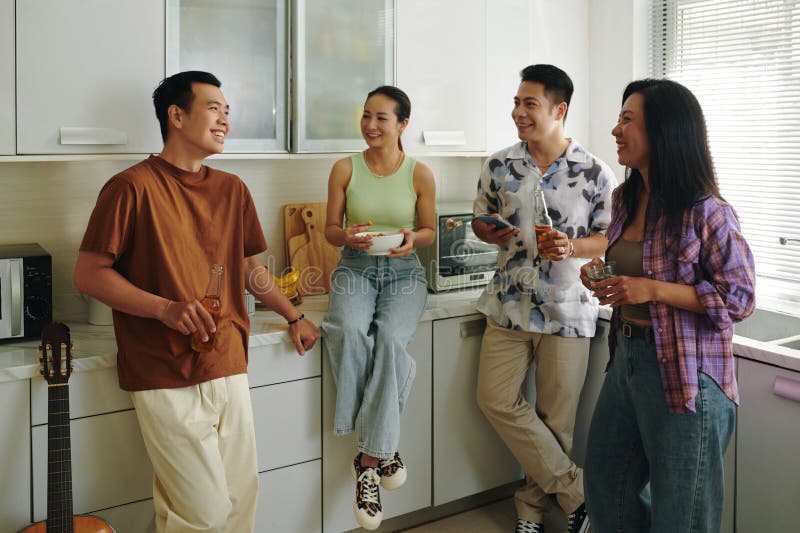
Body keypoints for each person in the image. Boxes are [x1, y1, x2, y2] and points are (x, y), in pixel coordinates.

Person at [74, 70, 318, 533]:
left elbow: (249, 269)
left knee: (238, 501)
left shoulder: (232, 189)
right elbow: (88, 274)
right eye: (214, 108)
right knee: (202, 514)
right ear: (177, 116)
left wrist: (294, 315)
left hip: (227, 359)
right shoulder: (131, 187)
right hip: (163, 369)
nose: (226, 119)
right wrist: (165, 308)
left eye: (228, 110)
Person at [581, 79, 756, 532]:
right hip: (628, 362)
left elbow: (740, 298)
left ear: (664, 130)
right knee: (605, 488)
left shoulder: (707, 210)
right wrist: (605, 279)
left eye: (627, 119)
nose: (615, 129)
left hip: (687, 375)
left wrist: (652, 289)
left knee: (682, 517)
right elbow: (632, 268)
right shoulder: (625, 198)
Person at [472, 64, 616, 533]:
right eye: (516, 102)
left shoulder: (596, 173)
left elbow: (609, 238)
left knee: (556, 420)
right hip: (509, 302)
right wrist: (488, 230)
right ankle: (576, 493)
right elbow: (480, 221)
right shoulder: (498, 165)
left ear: (559, 110)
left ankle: (530, 512)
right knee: (493, 397)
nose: (518, 112)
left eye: (528, 103)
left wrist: (572, 247)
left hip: (569, 307)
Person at [320, 85, 435, 531]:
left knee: (389, 339)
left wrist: (412, 241)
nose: (370, 125)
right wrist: (345, 237)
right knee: (346, 329)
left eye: (381, 118)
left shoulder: (420, 173)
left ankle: (367, 461)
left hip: (404, 274)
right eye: (366, 115)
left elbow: (427, 231)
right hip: (354, 268)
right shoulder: (344, 169)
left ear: (402, 124)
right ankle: (383, 446)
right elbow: (330, 229)